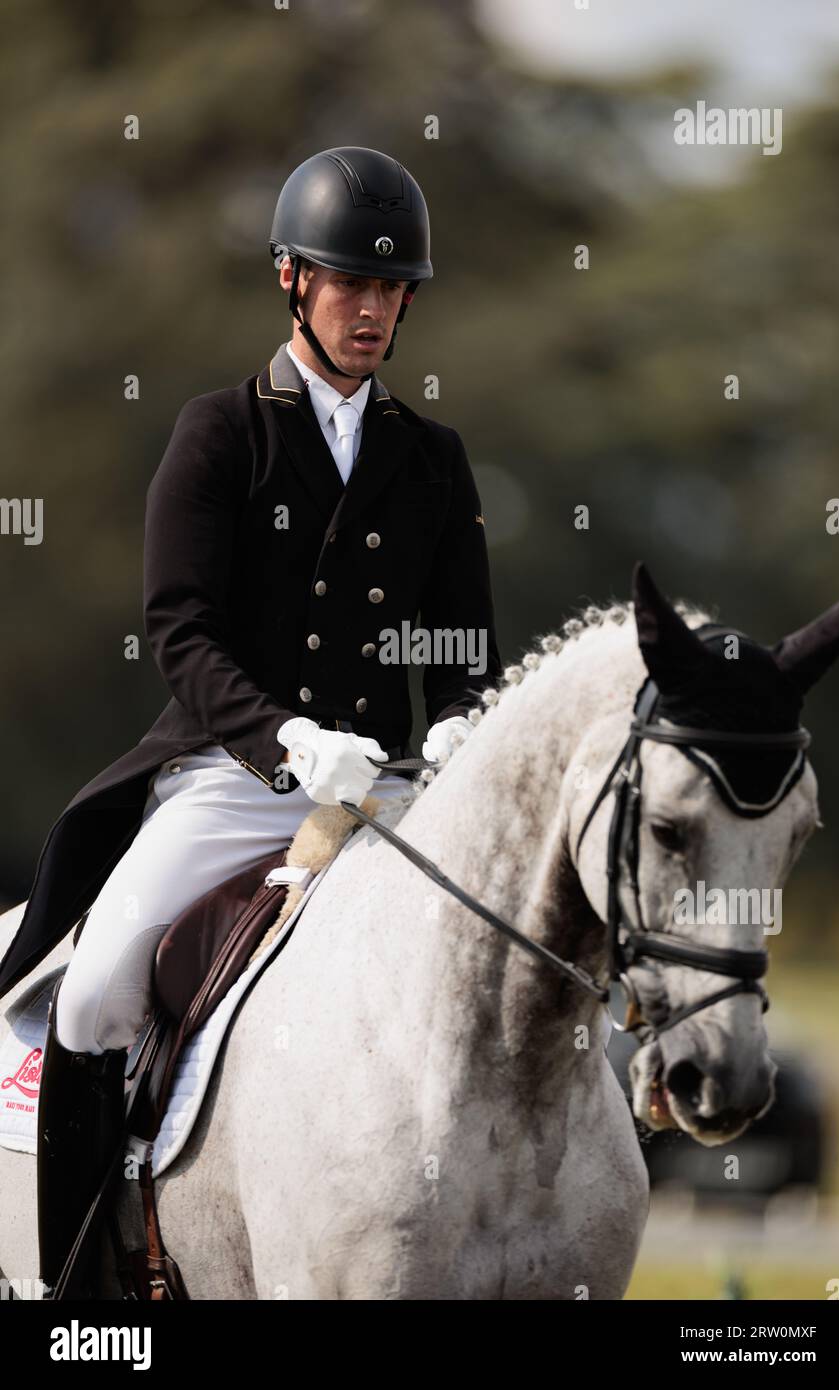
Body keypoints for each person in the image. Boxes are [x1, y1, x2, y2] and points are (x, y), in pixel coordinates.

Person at [30, 145, 502, 1298]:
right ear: (292, 278)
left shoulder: (431, 461)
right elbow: (179, 632)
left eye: (393, 290)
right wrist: (286, 739)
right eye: (353, 284)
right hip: (236, 776)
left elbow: (463, 650)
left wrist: (452, 726)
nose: (375, 309)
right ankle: (80, 1275)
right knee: (94, 990)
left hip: (384, 790)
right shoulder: (217, 433)